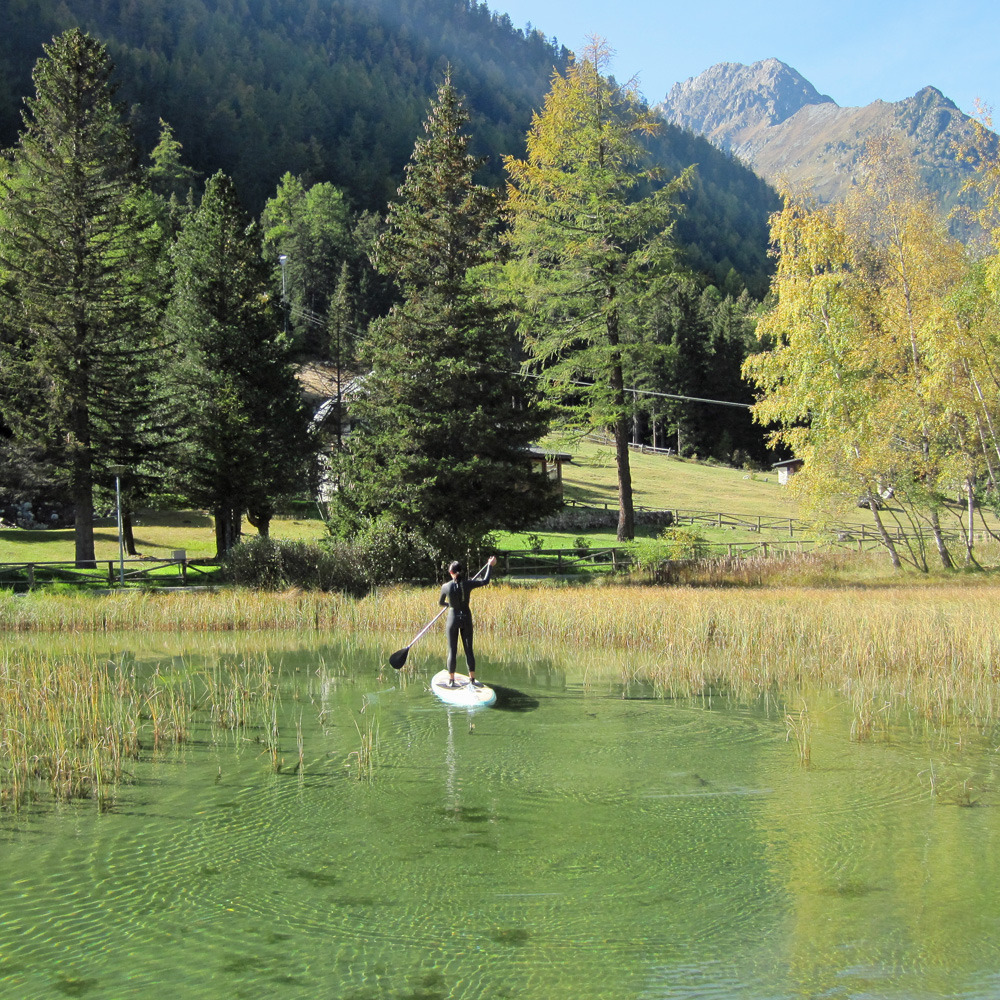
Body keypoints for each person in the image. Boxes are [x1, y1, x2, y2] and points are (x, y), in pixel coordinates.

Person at [439, 555, 497, 687]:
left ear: (451, 572)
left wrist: (449, 604)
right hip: (466, 618)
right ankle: (472, 679)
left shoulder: (445, 586)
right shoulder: (468, 584)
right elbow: (485, 581)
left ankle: (451, 680)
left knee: (452, 651)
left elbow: (441, 603)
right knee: (469, 650)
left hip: (452, 619)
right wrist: (490, 566)